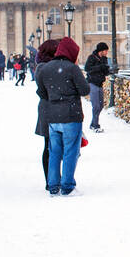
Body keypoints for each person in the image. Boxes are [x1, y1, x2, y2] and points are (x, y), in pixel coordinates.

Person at [36, 37, 90, 196]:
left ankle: (53, 186)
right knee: (70, 152)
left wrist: (54, 97)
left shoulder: (45, 68)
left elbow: (41, 92)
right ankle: (67, 186)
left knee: (54, 152)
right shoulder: (72, 69)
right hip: (71, 116)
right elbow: (85, 90)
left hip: (53, 117)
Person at [34, 39, 60, 185]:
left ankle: (54, 178)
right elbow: (43, 90)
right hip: (49, 108)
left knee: (53, 145)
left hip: (52, 107)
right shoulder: (43, 67)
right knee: (49, 145)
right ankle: (50, 180)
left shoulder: (47, 66)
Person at [83, 42, 111, 131]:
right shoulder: (92, 58)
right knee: (96, 106)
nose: (107, 52)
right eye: (106, 50)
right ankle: (95, 125)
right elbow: (87, 69)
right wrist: (100, 67)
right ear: (101, 51)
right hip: (92, 83)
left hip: (100, 84)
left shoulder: (104, 59)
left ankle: (93, 123)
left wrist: (109, 71)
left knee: (101, 105)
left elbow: (105, 72)